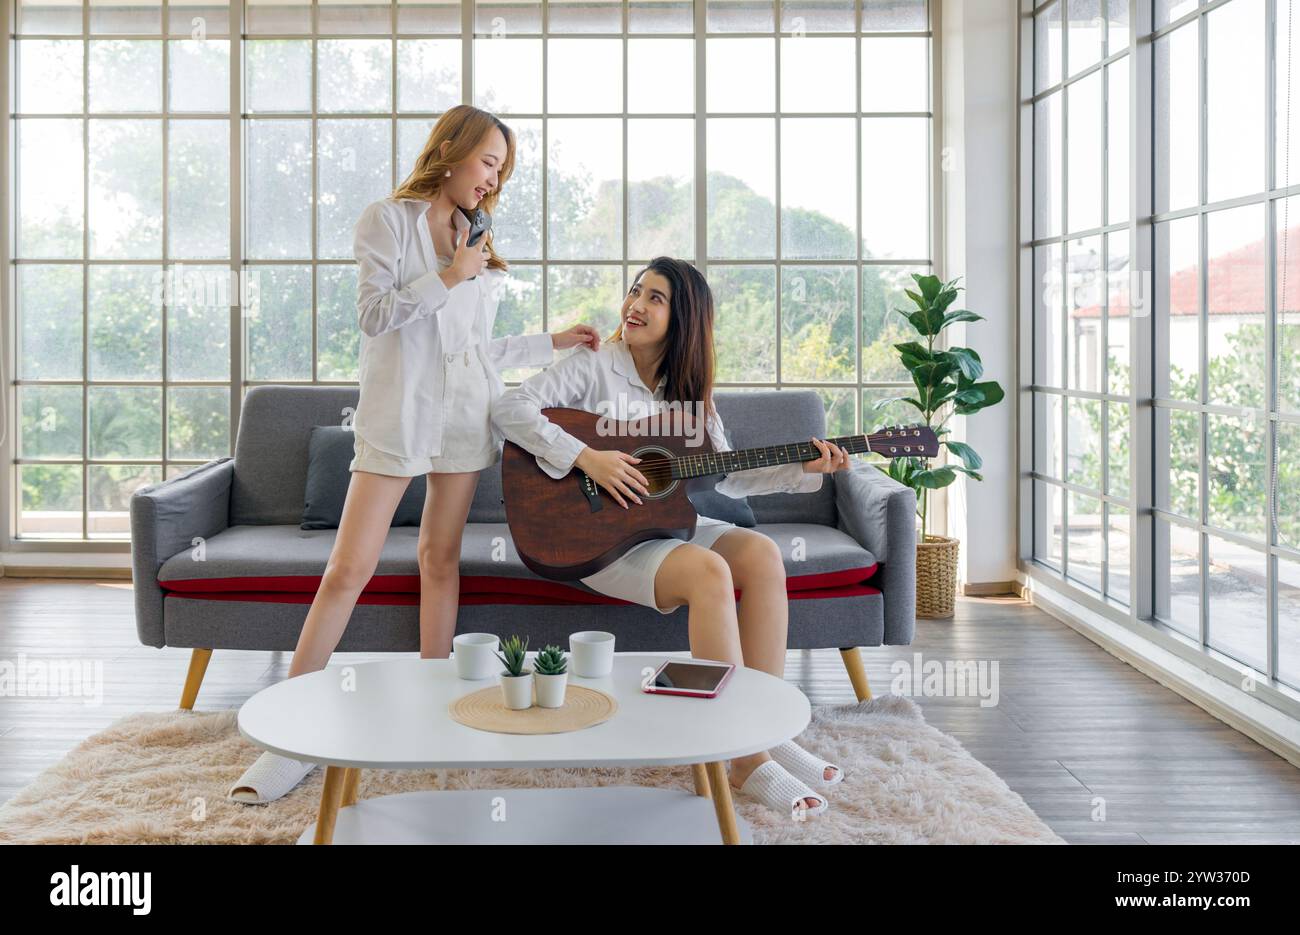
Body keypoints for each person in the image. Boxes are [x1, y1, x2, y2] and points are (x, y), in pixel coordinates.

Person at [228, 105, 598, 804]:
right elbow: (374, 316)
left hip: (464, 416)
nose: (494, 180)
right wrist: (452, 275)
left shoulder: (476, 237)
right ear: (451, 150)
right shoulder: (387, 221)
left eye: (503, 170)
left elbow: (477, 349)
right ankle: (289, 737)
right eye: (488, 162)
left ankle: (435, 707)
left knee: (440, 559)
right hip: (398, 416)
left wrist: (553, 341)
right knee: (348, 568)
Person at [491, 257, 850, 819]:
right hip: (596, 536)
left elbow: (726, 476)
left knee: (761, 554)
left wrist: (804, 468)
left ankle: (764, 728)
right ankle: (745, 759)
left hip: (663, 525)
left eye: (654, 298)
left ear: (682, 318)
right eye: (636, 291)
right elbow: (508, 407)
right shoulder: (592, 364)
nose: (635, 305)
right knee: (709, 572)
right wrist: (587, 457)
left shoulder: (692, 393)